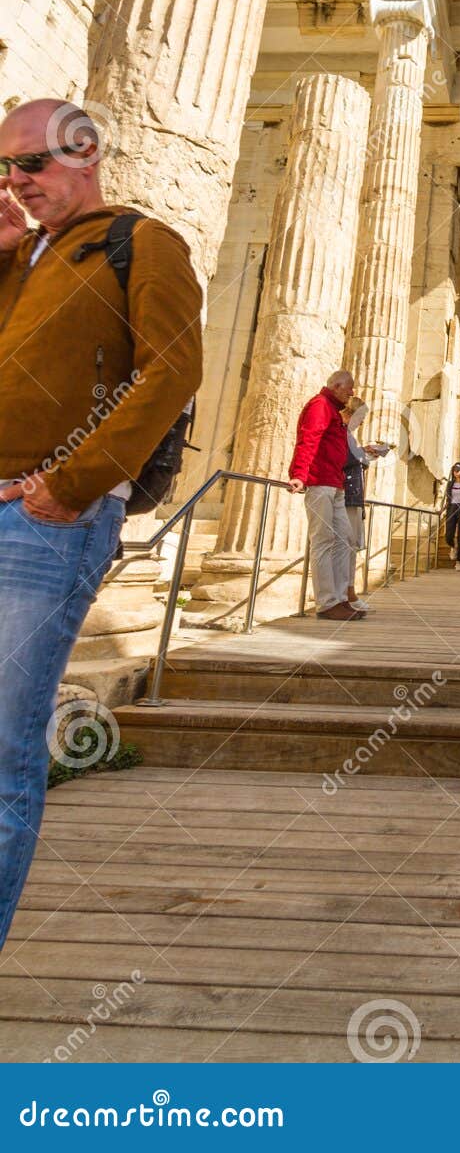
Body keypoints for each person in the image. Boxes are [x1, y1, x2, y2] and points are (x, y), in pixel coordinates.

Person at [0, 99, 203, 951]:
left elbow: (173, 370)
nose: (17, 180)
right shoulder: (20, 257)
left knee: (3, 744)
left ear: (84, 152)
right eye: (6, 167)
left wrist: (74, 484)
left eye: (32, 163)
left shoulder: (141, 242)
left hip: (48, 521)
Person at [289, 371, 362, 622]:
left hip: (335, 483)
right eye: (349, 388)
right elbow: (308, 439)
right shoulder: (320, 405)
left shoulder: (333, 410)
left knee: (345, 539)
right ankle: (326, 602)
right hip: (319, 482)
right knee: (322, 540)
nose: (352, 393)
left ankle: (341, 598)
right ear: (336, 386)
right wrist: (299, 474)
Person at [340, 397, 389, 611]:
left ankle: (349, 593)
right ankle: (346, 594)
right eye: (360, 417)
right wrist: (363, 452)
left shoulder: (348, 435)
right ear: (349, 414)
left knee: (350, 545)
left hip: (353, 493)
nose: (362, 422)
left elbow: (350, 460)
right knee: (345, 545)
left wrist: (365, 454)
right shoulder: (340, 432)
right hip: (346, 494)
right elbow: (342, 460)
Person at [444, 460, 460, 570]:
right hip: (451, 508)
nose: (456, 472)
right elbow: (448, 499)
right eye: (454, 470)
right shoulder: (450, 484)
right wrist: (443, 509)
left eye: (458, 470)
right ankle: (453, 547)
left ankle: (458, 561)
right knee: (448, 534)